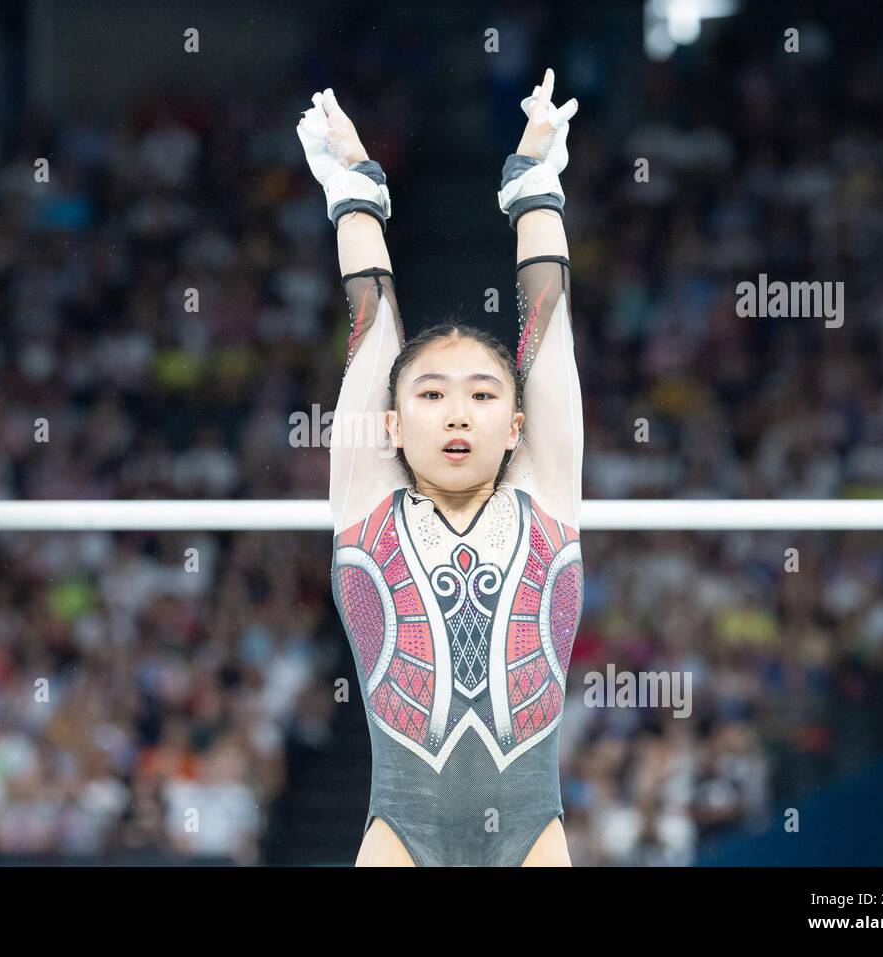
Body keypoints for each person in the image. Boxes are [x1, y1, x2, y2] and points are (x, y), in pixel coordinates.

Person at [297, 69, 585, 866]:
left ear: (516, 425)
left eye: (483, 393)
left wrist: (535, 185)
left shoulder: (546, 494)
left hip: (533, 836)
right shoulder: (368, 501)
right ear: (392, 422)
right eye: (431, 393)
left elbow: (548, 328)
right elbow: (371, 322)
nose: (458, 411)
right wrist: (355, 190)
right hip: (400, 836)